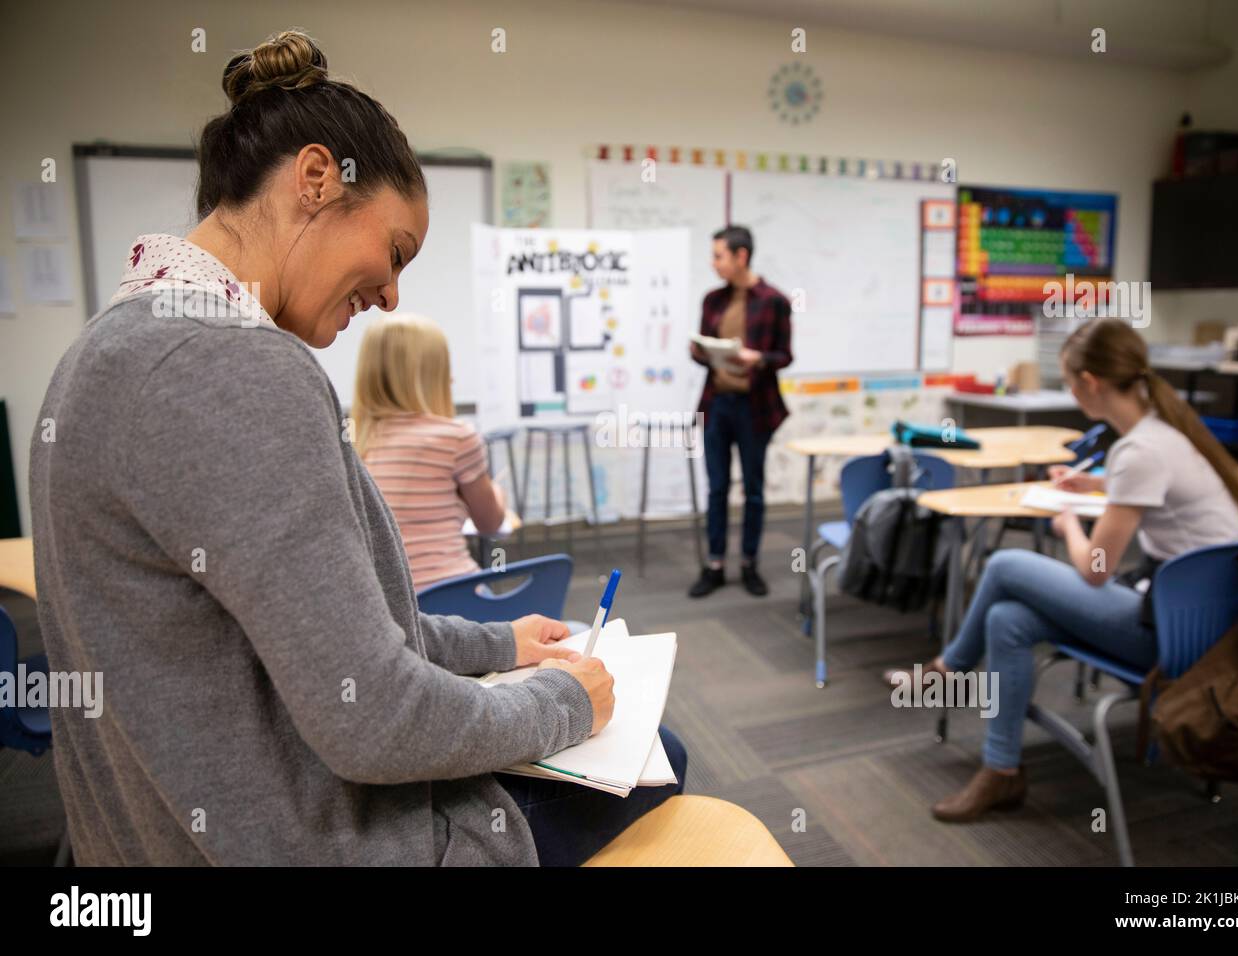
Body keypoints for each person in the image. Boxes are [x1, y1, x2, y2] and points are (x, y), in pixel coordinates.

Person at [29, 30, 684, 866]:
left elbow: (328, 637)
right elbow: (376, 718)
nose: (390, 294)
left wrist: (501, 644)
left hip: (145, 839)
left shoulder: (109, 348)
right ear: (314, 180)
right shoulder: (231, 366)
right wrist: (563, 703)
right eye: (395, 252)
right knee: (664, 760)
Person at [884, 318, 1238, 822]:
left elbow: (1096, 570)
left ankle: (946, 671)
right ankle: (1002, 771)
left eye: (1068, 381)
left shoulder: (1139, 451)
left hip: (1175, 639)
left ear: (1089, 384)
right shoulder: (1166, 433)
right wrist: (1098, 486)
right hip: (1206, 625)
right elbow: (1152, 490)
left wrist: (1068, 526)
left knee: (1004, 564)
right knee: (1007, 621)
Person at [354, 314, 507, 590]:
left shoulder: (355, 444)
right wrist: (497, 492)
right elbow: (490, 523)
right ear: (435, 375)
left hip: (390, 605)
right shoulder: (456, 438)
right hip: (455, 597)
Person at [687, 225, 793, 599]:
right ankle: (714, 564)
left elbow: (784, 356)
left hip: (754, 408)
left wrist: (757, 357)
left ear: (741, 256)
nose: (713, 263)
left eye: (719, 255)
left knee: (754, 490)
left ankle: (750, 563)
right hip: (717, 405)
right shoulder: (712, 300)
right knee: (716, 488)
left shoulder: (774, 301)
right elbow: (697, 352)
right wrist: (701, 349)